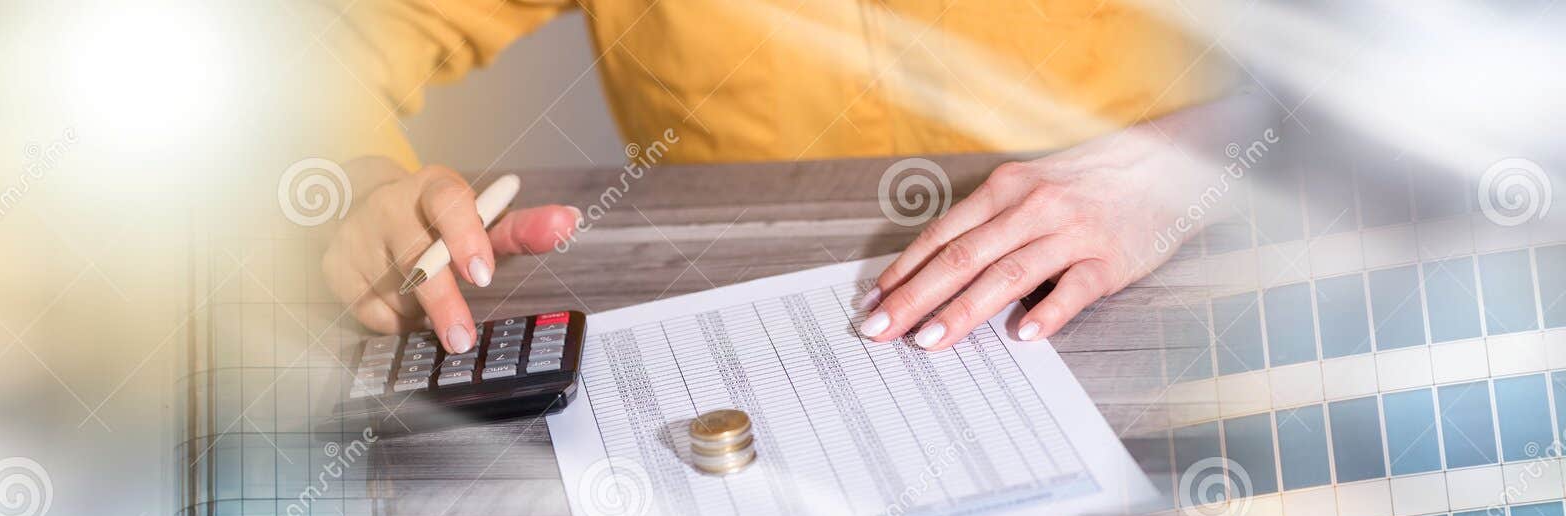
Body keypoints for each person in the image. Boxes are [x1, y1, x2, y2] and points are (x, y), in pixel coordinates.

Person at [317, 0, 1260, 354]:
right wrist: (355, 183)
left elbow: (1390, 51)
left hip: (1189, 304)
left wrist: (1196, 157)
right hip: (779, 356)